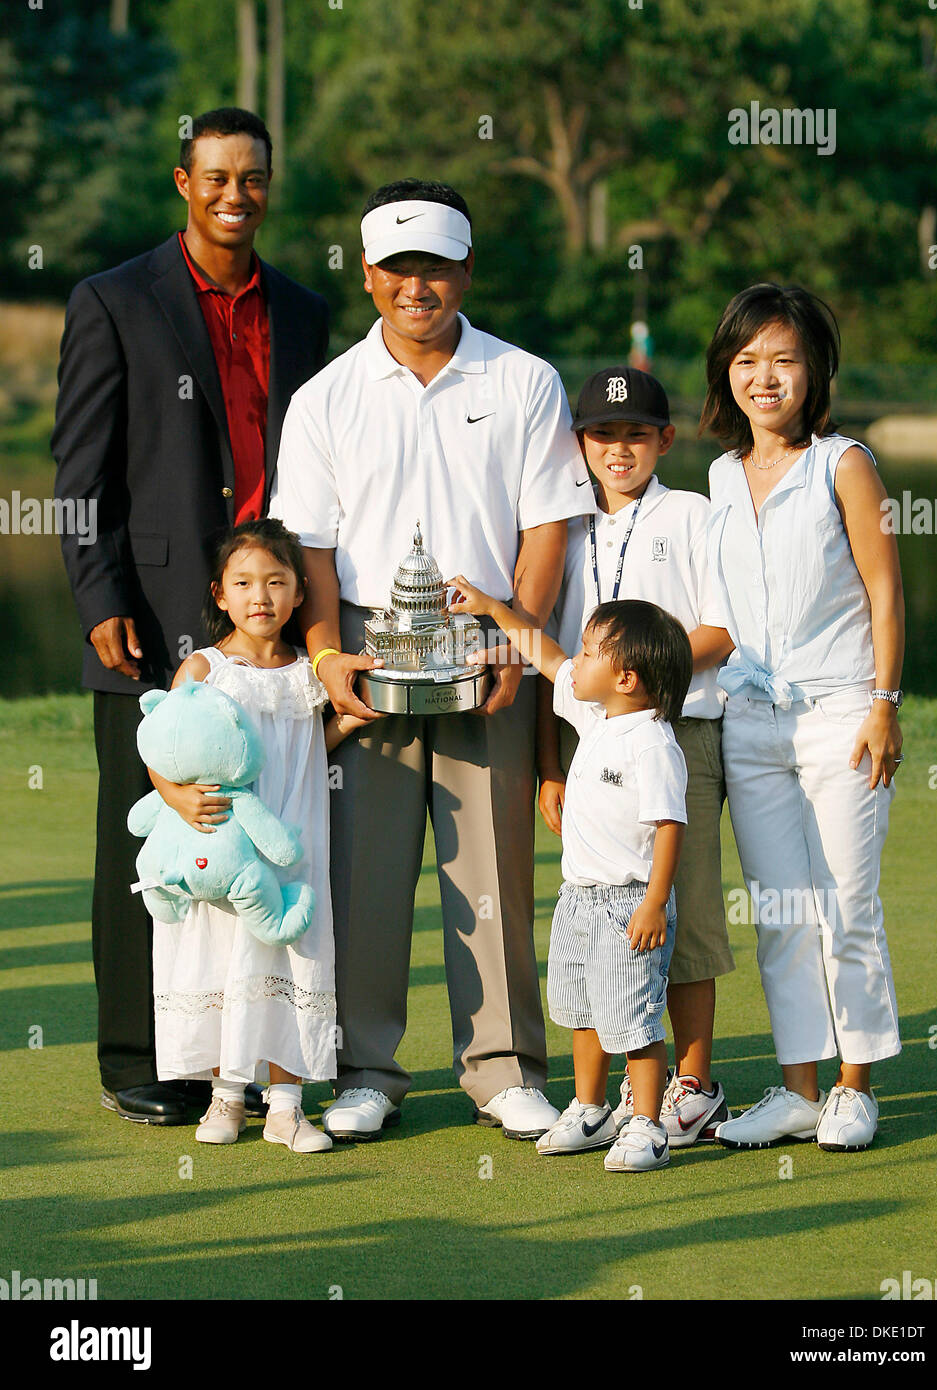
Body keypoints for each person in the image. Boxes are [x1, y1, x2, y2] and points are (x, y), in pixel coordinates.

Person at [270, 178, 594, 1141]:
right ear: (369, 274)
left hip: (487, 631)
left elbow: (547, 528)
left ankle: (502, 1069)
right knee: (364, 873)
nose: (419, 286)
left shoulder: (524, 379)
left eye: (438, 267)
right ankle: (367, 1068)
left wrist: (515, 642)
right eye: (400, 268)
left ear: (465, 271)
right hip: (370, 642)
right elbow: (313, 553)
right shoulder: (325, 396)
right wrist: (326, 657)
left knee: (491, 865)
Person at [52, 107, 330, 1125]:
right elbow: (79, 476)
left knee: (259, 848)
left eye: (251, 178)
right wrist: (97, 602)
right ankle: (140, 1058)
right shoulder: (113, 298)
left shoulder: (303, 310)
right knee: (156, 843)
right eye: (215, 177)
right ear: (184, 183)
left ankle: (245, 1062)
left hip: (270, 622)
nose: (234, 195)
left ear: (268, 184)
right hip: (150, 620)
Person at [699, 283, 904, 1152]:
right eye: (746, 361)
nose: (765, 377)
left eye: (783, 359)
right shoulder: (716, 474)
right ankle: (797, 1090)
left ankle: (854, 1089)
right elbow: (722, 613)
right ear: (726, 375)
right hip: (751, 722)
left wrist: (885, 703)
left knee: (845, 904)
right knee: (780, 910)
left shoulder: (844, 462)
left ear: (813, 368)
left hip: (842, 715)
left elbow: (884, 588)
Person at [537, 366, 735, 1147]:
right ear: (579, 442)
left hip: (675, 733)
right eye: (601, 434)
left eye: (635, 433)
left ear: (665, 439)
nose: (618, 449)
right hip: (587, 743)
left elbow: (722, 629)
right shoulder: (566, 524)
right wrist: (555, 762)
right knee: (598, 919)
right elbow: (556, 661)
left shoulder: (690, 514)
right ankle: (620, 1086)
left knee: (678, 918)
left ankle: (691, 1085)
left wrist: (645, 679)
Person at [449, 582, 691, 1171]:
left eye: (589, 654)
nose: (574, 662)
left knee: (632, 1017)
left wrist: (655, 902)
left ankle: (646, 1125)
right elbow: (545, 654)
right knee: (582, 1011)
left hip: (630, 902)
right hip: (578, 901)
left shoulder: (653, 743)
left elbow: (669, 826)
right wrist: (490, 609)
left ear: (627, 678)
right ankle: (589, 1108)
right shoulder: (594, 714)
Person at [145, 520, 368, 1152]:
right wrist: (175, 795)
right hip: (220, 837)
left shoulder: (308, 673)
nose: (260, 597)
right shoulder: (205, 667)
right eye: (243, 583)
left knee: (292, 948)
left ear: (300, 594)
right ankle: (226, 1095)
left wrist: (347, 722)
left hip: (294, 832)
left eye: (276, 582)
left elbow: (302, 750)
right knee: (221, 952)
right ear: (220, 594)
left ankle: (288, 1104)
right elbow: (163, 742)